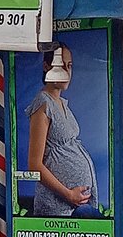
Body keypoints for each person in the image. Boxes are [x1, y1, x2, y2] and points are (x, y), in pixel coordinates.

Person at [26, 46, 98, 218]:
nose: (66, 71)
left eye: (69, 65)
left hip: (74, 207)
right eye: (60, 64)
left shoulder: (62, 103)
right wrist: (68, 194)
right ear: (46, 67)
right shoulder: (43, 104)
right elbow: (34, 165)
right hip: (57, 209)